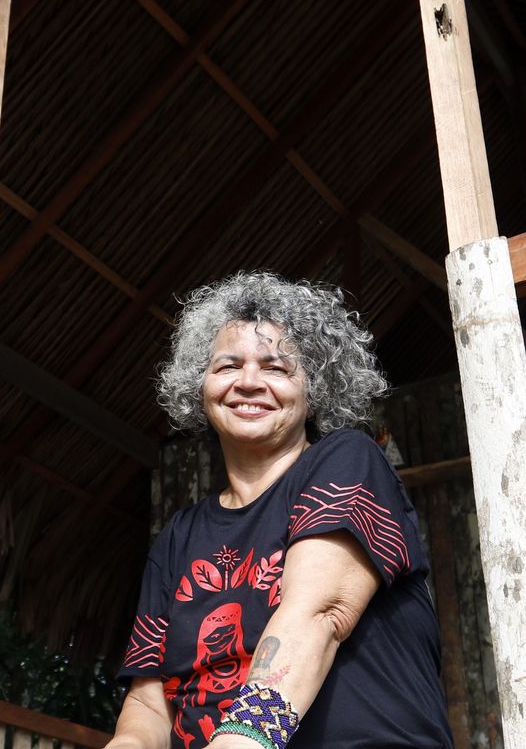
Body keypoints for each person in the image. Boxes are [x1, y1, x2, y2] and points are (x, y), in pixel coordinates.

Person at [108, 271, 451, 749]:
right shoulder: (178, 536)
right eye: (228, 366)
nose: (249, 382)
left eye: (276, 368)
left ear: (315, 390)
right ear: (200, 386)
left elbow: (319, 614)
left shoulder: (348, 459)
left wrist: (242, 739)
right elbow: (149, 704)